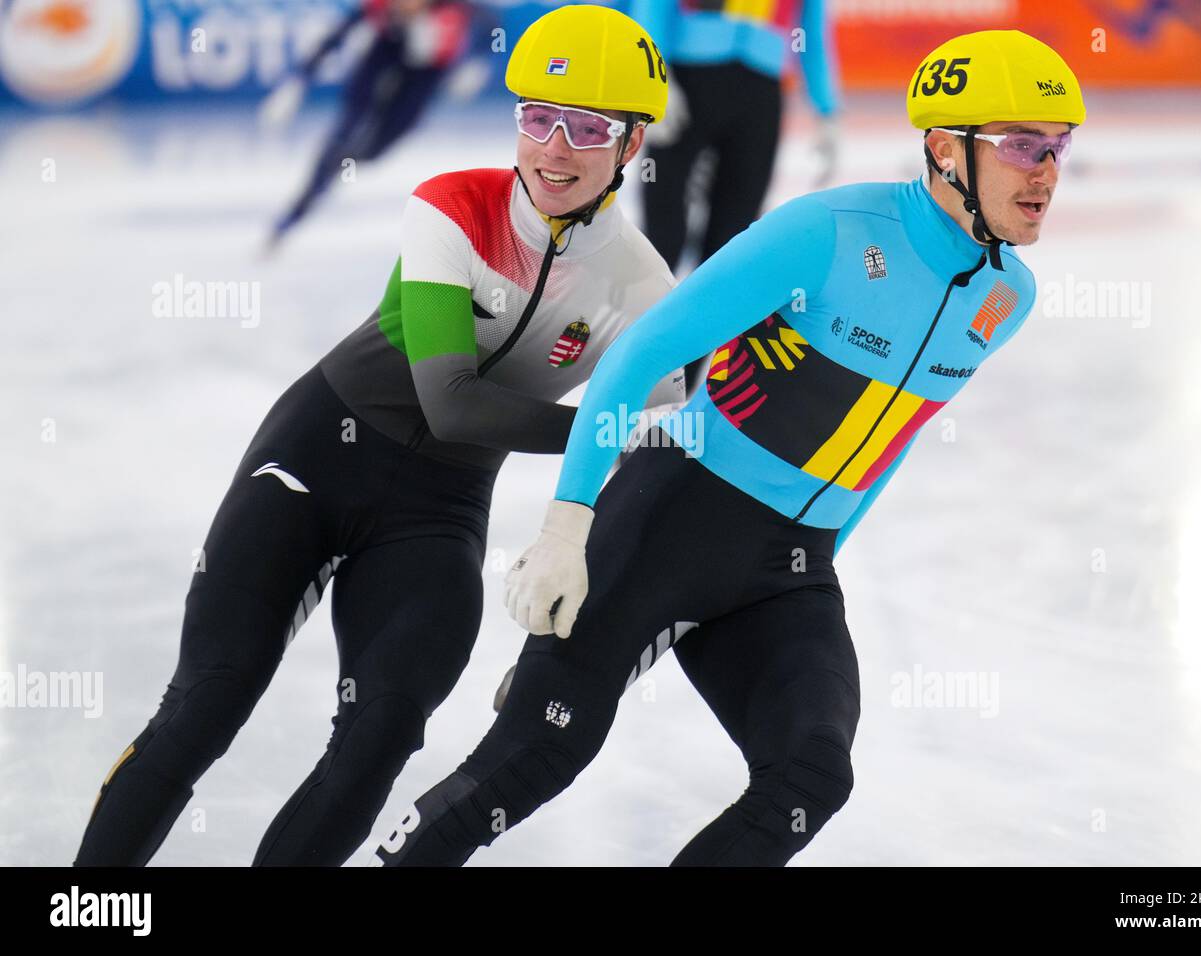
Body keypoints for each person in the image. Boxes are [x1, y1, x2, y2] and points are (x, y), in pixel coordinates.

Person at [372, 29, 1086, 866]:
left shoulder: (1008, 296)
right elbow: (639, 358)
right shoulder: (827, 230)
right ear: (944, 149)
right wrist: (568, 532)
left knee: (809, 777)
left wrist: (823, 556)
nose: (1045, 169)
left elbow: (888, 446)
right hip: (671, 519)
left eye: (1058, 147)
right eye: (1022, 145)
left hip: (788, 568)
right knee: (536, 754)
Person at [74, 3, 685, 867]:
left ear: (631, 146)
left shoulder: (642, 286)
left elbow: (663, 462)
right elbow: (453, 404)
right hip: (315, 459)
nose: (554, 146)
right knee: (208, 701)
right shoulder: (454, 205)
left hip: (437, 515)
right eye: (537, 118)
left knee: (384, 731)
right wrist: (611, 426)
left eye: (586, 128)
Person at [630, 0, 840, 273]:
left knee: (737, 222)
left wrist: (827, 111)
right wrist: (655, 77)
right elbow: (653, 6)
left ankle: (715, 306)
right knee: (664, 209)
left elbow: (812, 29)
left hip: (760, 89)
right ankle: (649, 299)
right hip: (688, 78)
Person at [261, 0, 485, 248]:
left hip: (423, 78)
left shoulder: (456, 8)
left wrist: (477, 64)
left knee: (373, 149)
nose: (407, 6)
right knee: (341, 139)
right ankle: (296, 213)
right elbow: (338, 35)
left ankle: (346, 159)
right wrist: (298, 80)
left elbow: (490, 25)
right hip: (383, 58)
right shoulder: (383, 6)